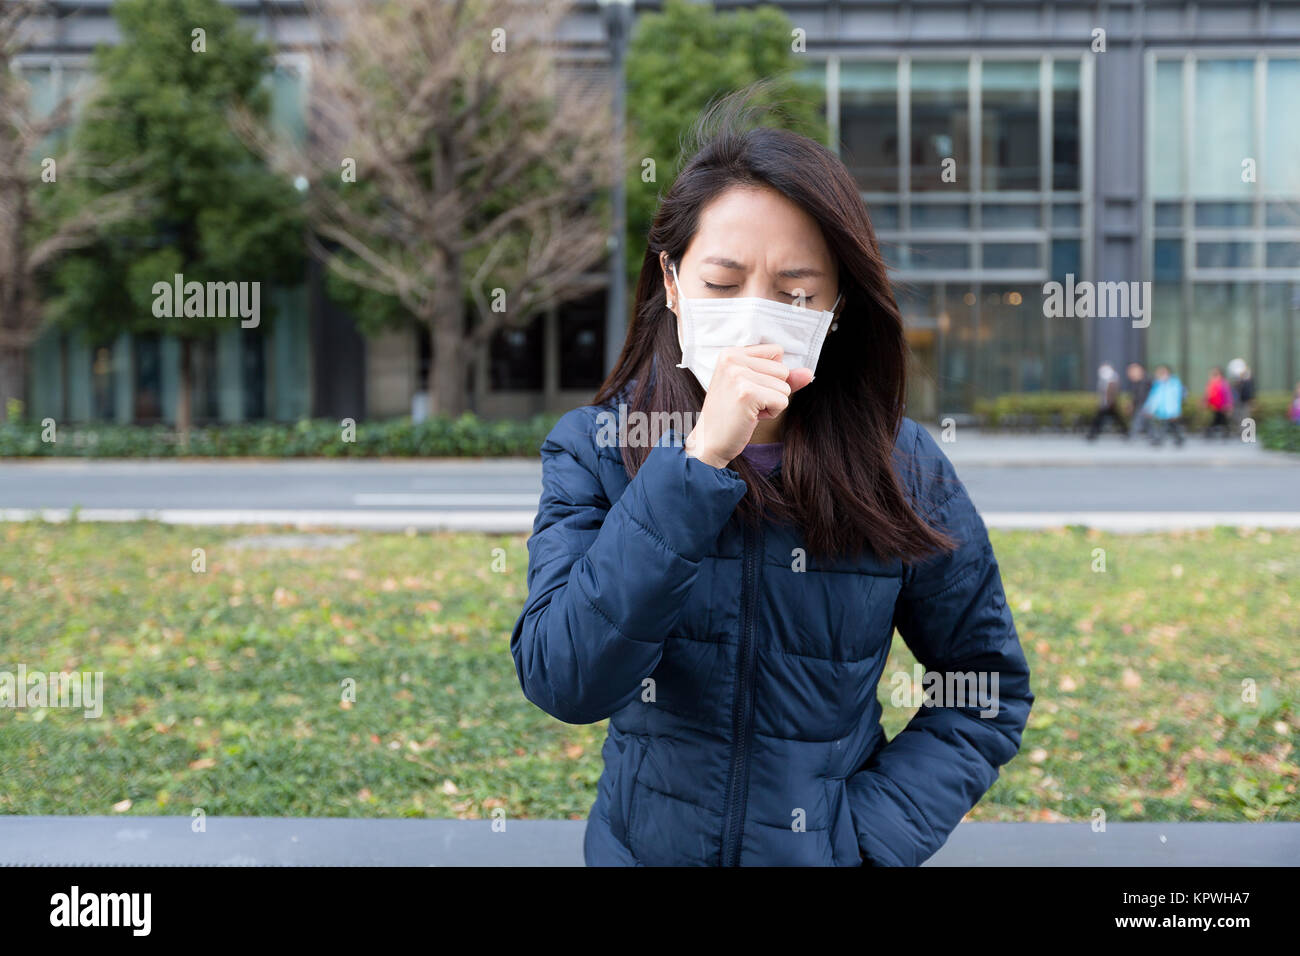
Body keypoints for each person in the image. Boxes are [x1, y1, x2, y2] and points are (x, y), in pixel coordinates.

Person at [510, 88, 1033, 868]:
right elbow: (566, 680)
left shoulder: (903, 464)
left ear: (835, 308)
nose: (756, 317)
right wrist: (693, 468)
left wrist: (861, 838)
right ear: (673, 281)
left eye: (794, 293)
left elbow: (985, 687)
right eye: (723, 284)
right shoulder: (597, 448)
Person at [1143, 364, 1186, 447]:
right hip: (1162, 410)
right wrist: (1149, 408)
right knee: (1166, 426)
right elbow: (1153, 397)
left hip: (1171, 410)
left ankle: (1165, 439)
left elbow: (1177, 398)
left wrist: (1176, 411)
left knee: (1172, 426)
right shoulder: (1158, 384)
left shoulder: (1174, 383)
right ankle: (1165, 439)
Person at [1086, 362, 1127, 440]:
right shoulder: (1105, 380)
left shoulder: (1112, 379)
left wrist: (1109, 402)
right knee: (1113, 419)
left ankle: (1092, 434)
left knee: (1099, 419)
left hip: (1109, 404)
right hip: (1106, 404)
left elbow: (1112, 393)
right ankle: (1092, 434)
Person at [1203, 367, 1233, 440]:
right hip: (1214, 405)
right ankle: (1213, 432)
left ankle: (1213, 432)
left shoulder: (1223, 383)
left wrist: (1228, 404)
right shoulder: (1211, 382)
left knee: (1221, 420)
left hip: (1222, 405)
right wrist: (1205, 402)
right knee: (1218, 420)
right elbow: (1207, 394)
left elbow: (1227, 394)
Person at [1226, 358, 1256, 431]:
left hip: (1245, 401)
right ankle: (1239, 430)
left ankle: (1245, 431)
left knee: (1245, 415)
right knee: (1238, 415)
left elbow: (1250, 391)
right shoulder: (1239, 381)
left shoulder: (1248, 381)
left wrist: (1251, 400)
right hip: (1239, 401)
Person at [1125, 362, 1152, 438]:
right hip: (1140, 404)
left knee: (1138, 420)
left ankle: (1131, 435)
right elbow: (1134, 395)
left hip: (1146, 404)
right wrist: (1131, 404)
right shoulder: (1135, 382)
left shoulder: (1147, 380)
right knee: (1147, 422)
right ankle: (1155, 437)